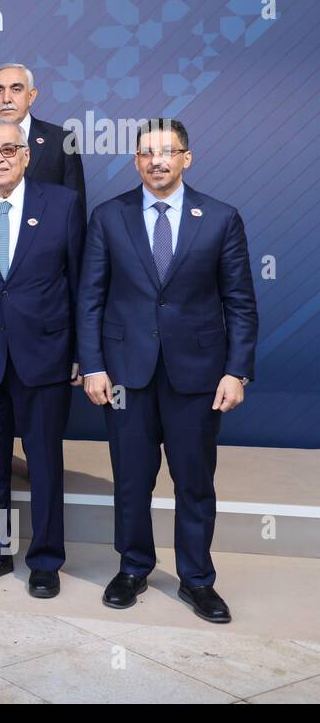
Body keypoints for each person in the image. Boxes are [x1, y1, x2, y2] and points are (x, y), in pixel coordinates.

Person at [78, 118, 257, 623]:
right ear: (135, 160)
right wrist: (92, 365)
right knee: (131, 478)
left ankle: (197, 579)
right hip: (124, 377)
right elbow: (89, 299)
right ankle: (133, 567)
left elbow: (240, 302)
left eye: (168, 151)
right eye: (147, 153)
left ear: (187, 157)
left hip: (198, 376)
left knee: (194, 480)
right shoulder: (108, 217)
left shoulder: (221, 218)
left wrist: (235, 372)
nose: (157, 161)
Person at [0, 119, 84, 598]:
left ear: (26, 156)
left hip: (45, 354)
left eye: (8, 149)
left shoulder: (62, 204)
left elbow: (82, 282)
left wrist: (82, 353)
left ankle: (45, 560)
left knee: (44, 461)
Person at [0, 63, 85, 203]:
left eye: (16, 89)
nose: (6, 99)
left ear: (31, 96)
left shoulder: (62, 140)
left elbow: (75, 208)